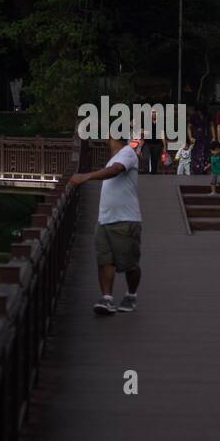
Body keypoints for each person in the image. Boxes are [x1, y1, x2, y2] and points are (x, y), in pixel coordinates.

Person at [68, 135, 142, 315]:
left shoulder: (128, 153)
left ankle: (131, 296)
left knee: (129, 264)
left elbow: (115, 170)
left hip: (125, 219)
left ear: (112, 137)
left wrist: (86, 176)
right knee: (104, 261)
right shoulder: (115, 156)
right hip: (105, 219)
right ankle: (107, 299)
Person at [188, 103, 210, 174]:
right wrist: (190, 137)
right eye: (198, 110)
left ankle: (205, 170)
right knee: (196, 155)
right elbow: (189, 127)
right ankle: (196, 171)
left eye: (201, 110)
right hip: (196, 137)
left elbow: (212, 125)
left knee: (205, 154)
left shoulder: (207, 115)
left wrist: (214, 137)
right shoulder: (193, 116)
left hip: (205, 137)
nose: (199, 112)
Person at [143, 109, 163, 174]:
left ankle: (153, 174)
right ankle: (146, 173)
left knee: (155, 160)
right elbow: (141, 131)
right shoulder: (146, 122)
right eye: (152, 112)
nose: (154, 114)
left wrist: (165, 146)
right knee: (145, 158)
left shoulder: (160, 123)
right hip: (147, 143)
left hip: (157, 144)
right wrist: (144, 132)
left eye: (155, 112)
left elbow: (162, 134)